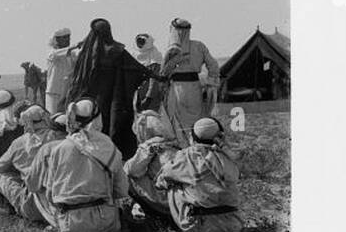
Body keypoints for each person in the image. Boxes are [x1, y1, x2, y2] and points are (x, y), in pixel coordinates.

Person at [23, 98, 129, 232]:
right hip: (105, 222)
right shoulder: (108, 146)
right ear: (97, 120)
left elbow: (50, 194)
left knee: (36, 191)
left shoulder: (58, 149)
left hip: (70, 225)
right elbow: (121, 190)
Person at [65, 17, 156, 161]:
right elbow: (136, 67)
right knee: (112, 123)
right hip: (113, 96)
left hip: (90, 97)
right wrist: (152, 74)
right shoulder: (116, 51)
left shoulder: (86, 52)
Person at [146, 116, 243, 232]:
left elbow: (160, 182)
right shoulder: (229, 156)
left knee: (171, 183)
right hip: (233, 225)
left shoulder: (186, 156)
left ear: (192, 137)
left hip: (202, 228)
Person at [159, 18, 220, 146]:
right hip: (194, 88)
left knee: (178, 124)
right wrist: (210, 84)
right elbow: (214, 66)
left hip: (177, 89)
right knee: (196, 121)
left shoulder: (170, 51)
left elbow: (163, 74)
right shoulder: (199, 46)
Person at [0, 104, 56, 222]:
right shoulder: (59, 137)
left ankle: (15, 209)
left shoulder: (19, 142)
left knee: (1, 177)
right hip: (59, 201)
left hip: (34, 206)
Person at [122, 109, 182, 218]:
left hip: (166, 201)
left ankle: (144, 213)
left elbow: (131, 170)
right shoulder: (175, 145)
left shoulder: (150, 146)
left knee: (126, 174)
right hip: (180, 200)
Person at [44, 28, 78, 114]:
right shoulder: (52, 53)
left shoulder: (72, 54)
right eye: (65, 38)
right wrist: (77, 45)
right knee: (53, 116)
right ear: (57, 40)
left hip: (67, 91)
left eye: (68, 37)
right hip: (54, 92)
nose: (68, 40)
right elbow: (60, 53)